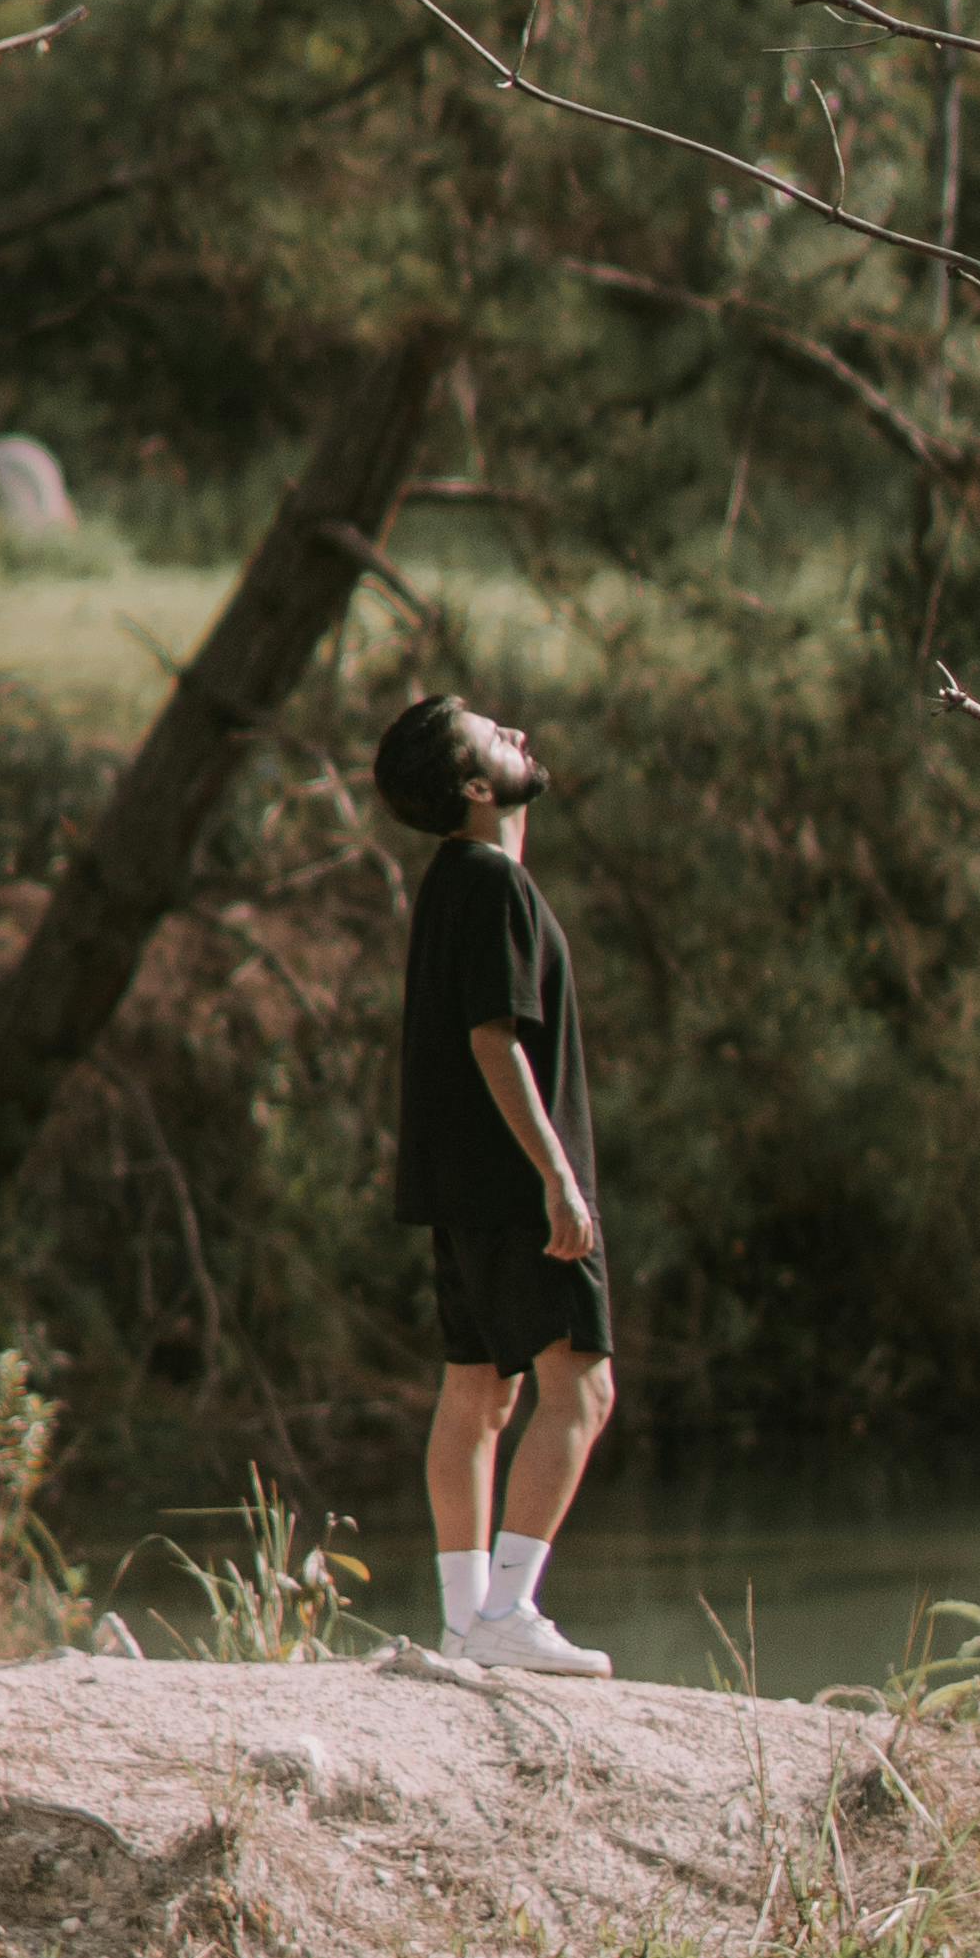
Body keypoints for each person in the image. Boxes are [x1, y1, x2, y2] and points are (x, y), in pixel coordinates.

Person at [373, 692, 617, 1677]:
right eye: (491, 737)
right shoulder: (498, 888)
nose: (516, 731)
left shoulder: (452, 883)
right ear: (476, 786)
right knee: (583, 1390)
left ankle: (465, 1619)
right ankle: (510, 1614)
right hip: (513, 1186)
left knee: (478, 1392)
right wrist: (557, 1175)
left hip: (455, 1184)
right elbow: (492, 1037)